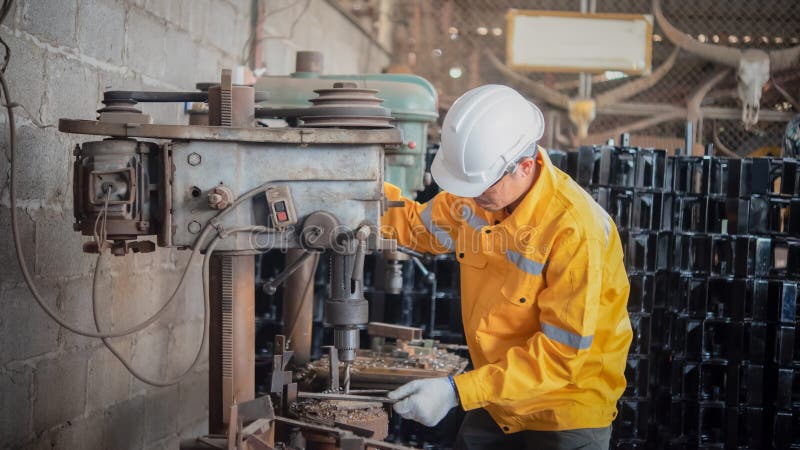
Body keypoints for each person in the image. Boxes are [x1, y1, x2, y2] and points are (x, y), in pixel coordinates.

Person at [380, 85, 632, 450]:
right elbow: (417, 226)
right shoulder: (477, 196)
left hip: (565, 409)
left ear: (525, 167)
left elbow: (561, 357)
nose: (469, 194)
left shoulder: (575, 230)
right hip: (499, 394)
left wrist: (456, 392)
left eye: (480, 184)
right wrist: (358, 195)